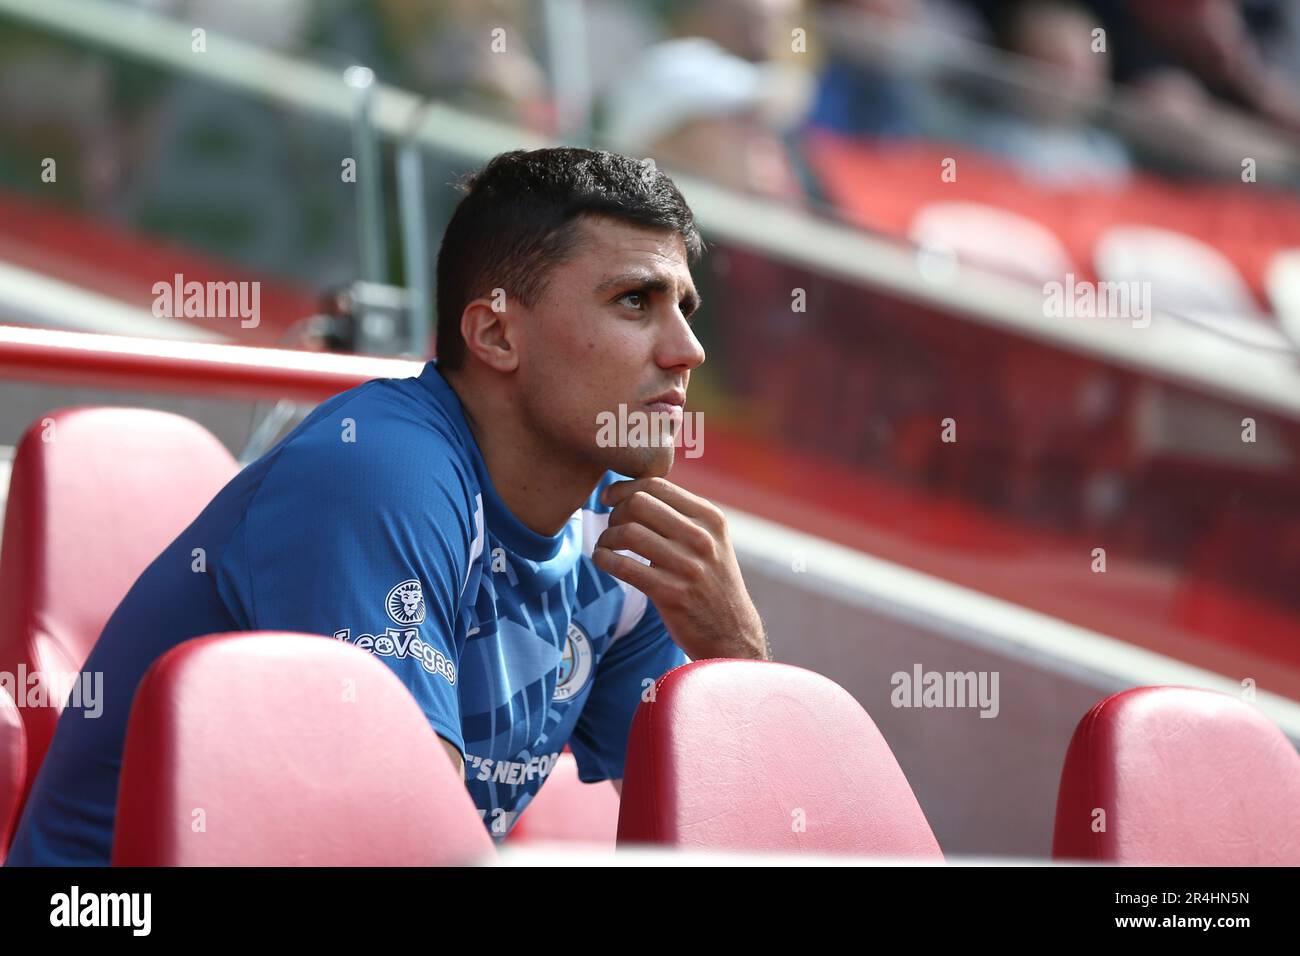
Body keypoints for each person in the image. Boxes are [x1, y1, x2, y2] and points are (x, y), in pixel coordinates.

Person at [6, 147, 770, 865]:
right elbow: (398, 846)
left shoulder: (621, 540)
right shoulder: (379, 473)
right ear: (498, 333)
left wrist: (734, 653)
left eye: (687, 307)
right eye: (636, 301)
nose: (687, 349)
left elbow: (732, 854)